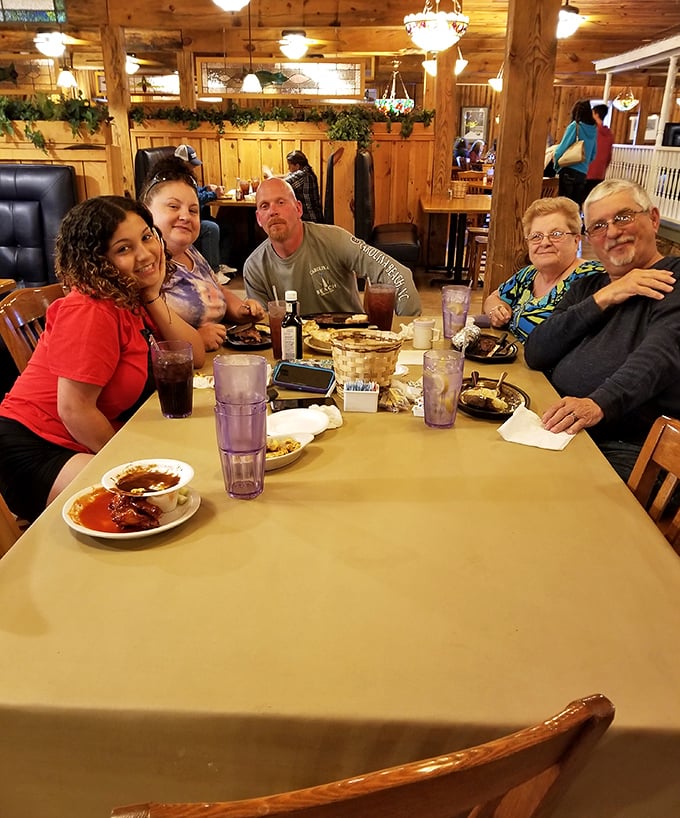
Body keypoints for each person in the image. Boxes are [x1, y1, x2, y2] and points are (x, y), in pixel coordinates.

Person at [0, 196, 205, 523]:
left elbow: (192, 355)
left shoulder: (130, 295)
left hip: (80, 438)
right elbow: (74, 411)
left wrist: (152, 294)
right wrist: (132, 467)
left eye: (146, 237)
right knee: (161, 509)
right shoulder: (91, 308)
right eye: (124, 249)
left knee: (190, 481)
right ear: (96, 261)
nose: (144, 254)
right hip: (37, 446)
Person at [524, 179, 680, 481]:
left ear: (654, 219)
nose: (612, 231)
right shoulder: (588, 287)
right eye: (598, 226)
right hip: (564, 430)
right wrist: (606, 296)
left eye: (623, 217)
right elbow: (537, 350)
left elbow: (660, 355)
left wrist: (599, 403)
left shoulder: (674, 278)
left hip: (631, 446)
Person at [244, 177, 421, 316]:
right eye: (265, 206)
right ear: (259, 218)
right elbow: (263, 326)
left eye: (281, 202)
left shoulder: (334, 239)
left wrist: (409, 330)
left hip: (350, 346)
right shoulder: (254, 267)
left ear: (298, 209)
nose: (273, 211)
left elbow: (398, 275)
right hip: (295, 353)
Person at [141, 158, 264, 352]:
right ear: (146, 212)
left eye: (193, 210)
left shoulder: (190, 252)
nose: (185, 216)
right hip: (187, 371)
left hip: (220, 357)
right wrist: (196, 339)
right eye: (173, 206)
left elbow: (218, 291)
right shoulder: (146, 267)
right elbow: (149, 339)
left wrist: (241, 310)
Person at [483, 197, 603, 342]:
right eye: (536, 236)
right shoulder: (529, 274)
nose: (545, 242)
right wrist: (497, 310)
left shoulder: (591, 278)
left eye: (556, 234)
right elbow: (493, 298)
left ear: (576, 240)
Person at [173, 143, 235, 279]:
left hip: (197, 217)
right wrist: (213, 195)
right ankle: (213, 272)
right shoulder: (177, 178)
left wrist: (206, 188)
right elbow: (191, 199)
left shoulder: (187, 177)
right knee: (211, 228)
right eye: (191, 163)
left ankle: (220, 263)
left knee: (226, 227)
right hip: (184, 221)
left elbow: (195, 191)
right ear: (182, 162)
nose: (194, 167)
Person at [553, 99, 597, 208]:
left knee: (564, 206)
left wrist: (556, 165)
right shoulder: (594, 130)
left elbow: (562, 148)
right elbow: (593, 155)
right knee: (575, 206)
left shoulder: (575, 126)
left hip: (569, 169)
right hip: (583, 173)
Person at [263, 150, 324, 223]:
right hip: (313, 216)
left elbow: (281, 185)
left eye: (289, 165)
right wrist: (273, 175)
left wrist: (269, 175)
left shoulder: (302, 175)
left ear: (297, 166)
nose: (288, 168)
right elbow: (288, 175)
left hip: (309, 218)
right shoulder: (307, 171)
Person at [585, 104, 614, 196]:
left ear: (596, 114)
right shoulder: (609, 134)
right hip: (600, 173)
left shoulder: (591, 131)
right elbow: (609, 156)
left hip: (587, 171)